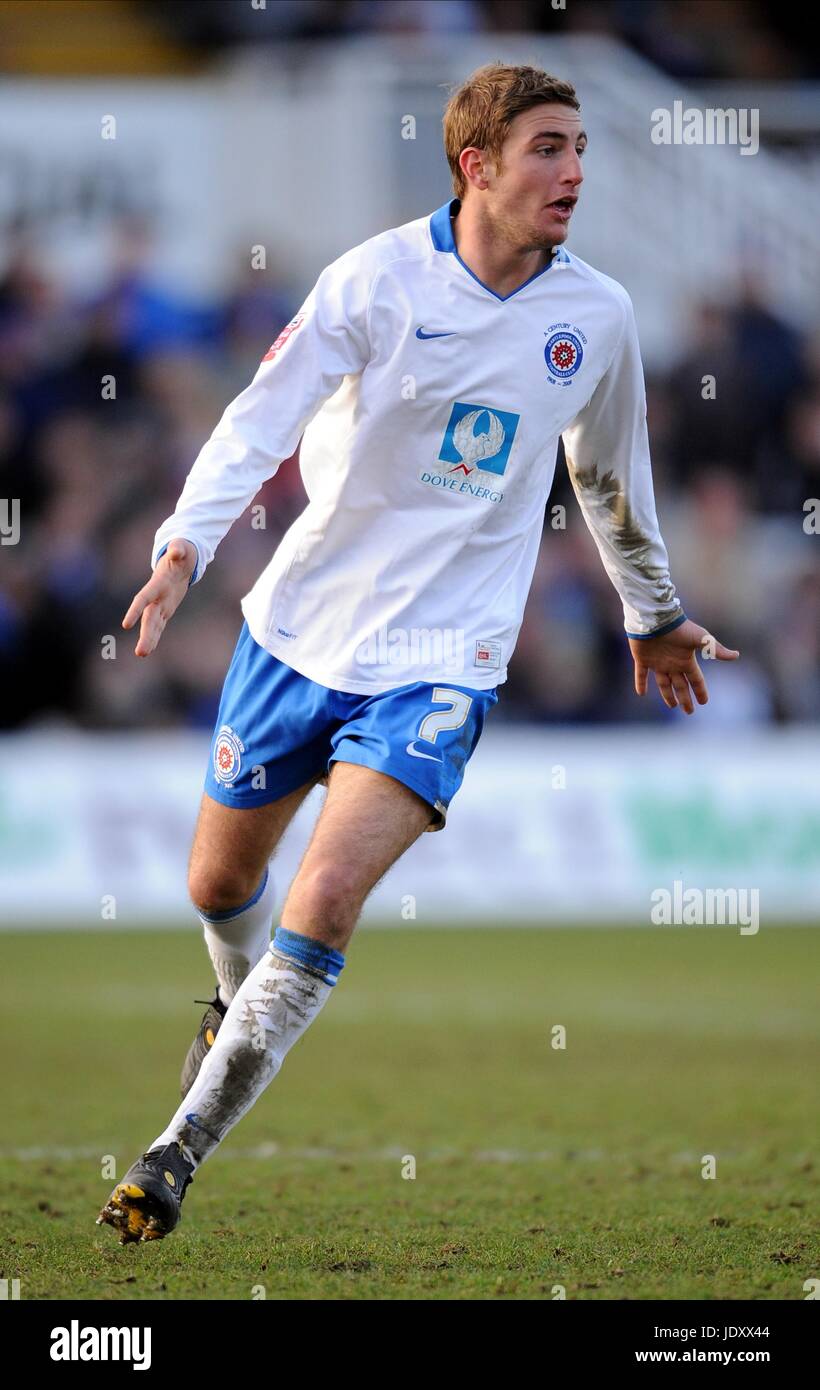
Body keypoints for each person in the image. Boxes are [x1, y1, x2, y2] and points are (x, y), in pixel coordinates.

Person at [97, 62, 738, 1243]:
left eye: (582, 148)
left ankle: (174, 1150)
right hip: (299, 632)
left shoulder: (595, 315)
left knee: (327, 896)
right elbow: (261, 414)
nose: (576, 171)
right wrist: (185, 543)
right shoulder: (377, 278)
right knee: (217, 887)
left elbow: (607, 478)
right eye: (549, 148)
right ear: (476, 164)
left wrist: (650, 611)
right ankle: (231, 1008)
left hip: (445, 658)